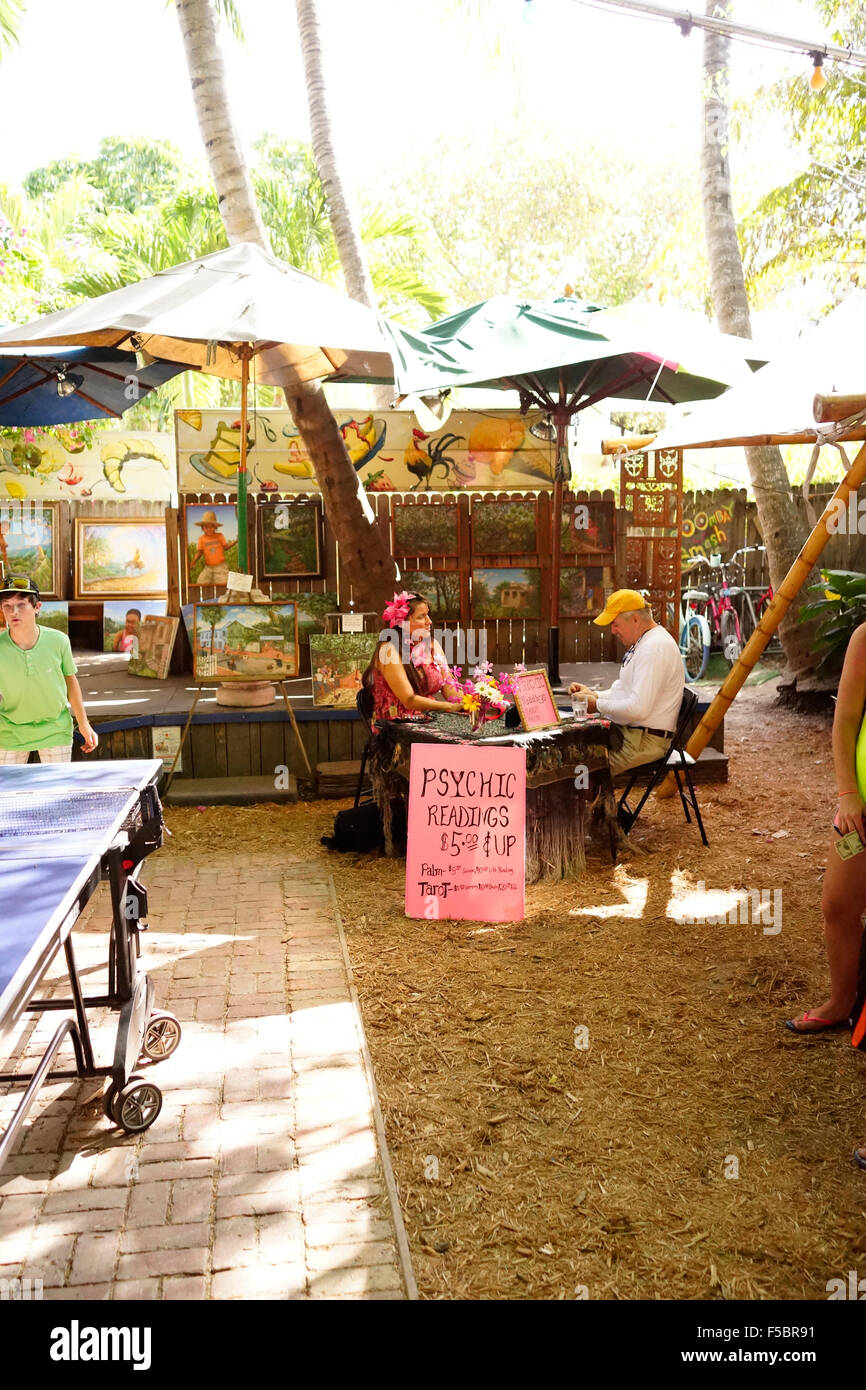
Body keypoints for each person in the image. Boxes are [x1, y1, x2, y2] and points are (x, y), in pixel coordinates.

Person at [786, 621, 866, 1054]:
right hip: (861, 811)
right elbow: (846, 721)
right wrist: (849, 794)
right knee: (837, 905)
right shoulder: (865, 639)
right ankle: (840, 1002)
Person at [568, 589, 684, 776]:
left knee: (574, 771)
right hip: (634, 735)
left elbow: (638, 708)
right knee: (570, 752)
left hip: (642, 742)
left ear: (636, 619)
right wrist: (594, 695)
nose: (613, 631)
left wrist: (597, 704)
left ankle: (593, 804)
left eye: (615, 624)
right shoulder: (647, 642)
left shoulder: (653, 648)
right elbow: (624, 690)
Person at [0, 575, 98, 764]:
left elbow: (71, 681)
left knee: (58, 792)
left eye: (21, 605)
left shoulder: (58, 641)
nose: (14, 612)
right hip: (9, 731)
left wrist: (84, 724)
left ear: (37, 607)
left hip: (55, 729)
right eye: (7, 606)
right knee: (6, 793)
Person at [363, 591, 466, 724]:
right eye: (421, 616)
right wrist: (449, 707)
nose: (429, 621)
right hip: (396, 724)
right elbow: (409, 701)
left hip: (429, 719)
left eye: (427, 615)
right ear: (402, 622)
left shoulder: (433, 645)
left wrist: (472, 702)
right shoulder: (389, 650)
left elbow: (449, 688)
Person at [194, 510, 230, 587]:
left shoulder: (220, 536)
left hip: (220, 567)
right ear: (202, 528)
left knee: (224, 583)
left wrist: (236, 541)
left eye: (212, 527)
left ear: (215, 527)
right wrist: (193, 561)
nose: (209, 529)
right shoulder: (201, 539)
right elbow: (199, 552)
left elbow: (226, 547)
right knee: (200, 582)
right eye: (206, 527)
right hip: (208, 568)